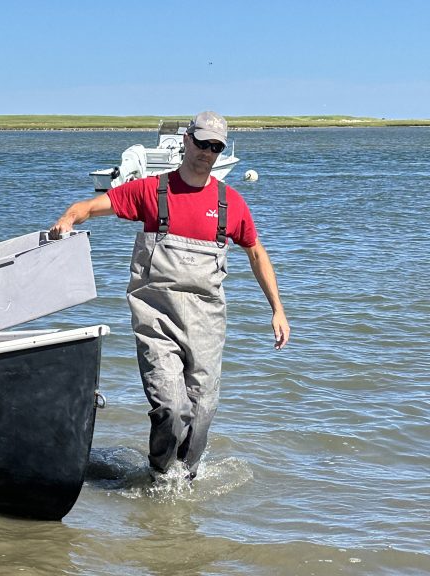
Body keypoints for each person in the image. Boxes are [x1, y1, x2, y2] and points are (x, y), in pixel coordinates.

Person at [51, 111, 290, 480]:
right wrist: (70, 218)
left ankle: (185, 479)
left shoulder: (231, 204)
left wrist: (278, 310)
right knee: (171, 407)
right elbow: (91, 207)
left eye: (215, 147)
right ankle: (159, 475)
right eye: (201, 143)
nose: (206, 152)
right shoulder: (152, 191)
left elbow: (257, 253)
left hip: (206, 320)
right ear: (186, 141)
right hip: (156, 317)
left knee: (202, 411)